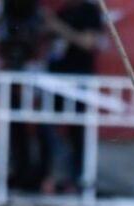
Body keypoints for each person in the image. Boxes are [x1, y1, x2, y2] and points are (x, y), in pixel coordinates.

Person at [39, 0, 103, 193]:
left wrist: (58, 27)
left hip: (78, 82)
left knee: (78, 131)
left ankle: (75, 180)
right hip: (55, 81)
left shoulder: (90, 11)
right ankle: (52, 176)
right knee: (45, 126)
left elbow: (88, 42)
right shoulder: (63, 11)